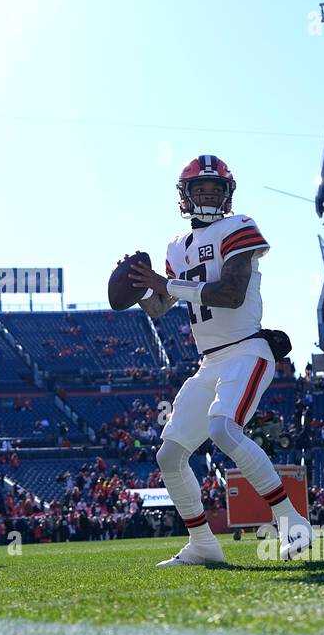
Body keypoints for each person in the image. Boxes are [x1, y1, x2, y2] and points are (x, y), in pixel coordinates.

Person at [129, 153, 310, 565]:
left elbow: (231, 295)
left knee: (223, 428)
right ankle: (203, 545)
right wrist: (137, 289)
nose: (207, 194)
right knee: (169, 455)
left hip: (248, 348)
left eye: (215, 187)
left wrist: (166, 284)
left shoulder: (239, 227)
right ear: (185, 195)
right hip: (208, 361)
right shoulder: (176, 246)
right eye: (200, 188)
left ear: (228, 194)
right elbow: (160, 307)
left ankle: (292, 522)